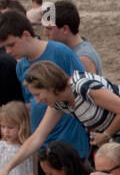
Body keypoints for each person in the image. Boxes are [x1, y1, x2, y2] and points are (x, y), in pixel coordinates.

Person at [9, 62, 120, 175]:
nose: (37, 101)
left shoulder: (82, 87)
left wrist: (106, 134)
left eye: (38, 94)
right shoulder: (59, 102)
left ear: (49, 86)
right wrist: (7, 169)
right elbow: (37, 137)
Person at [0, 10, 91, 162]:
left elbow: (85, 88)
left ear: (26, 35)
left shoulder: (60, 52)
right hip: (41, 145)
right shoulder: (20, 66)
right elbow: (32, 103)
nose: (8, 51)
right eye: (4, 47)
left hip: (71, 143)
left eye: (11, 45)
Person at [44, 1, 102, 76]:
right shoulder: (71, 50)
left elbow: (87, 87)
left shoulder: (82, 59)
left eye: (49, 28)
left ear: (65, 29)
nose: (45, 33)